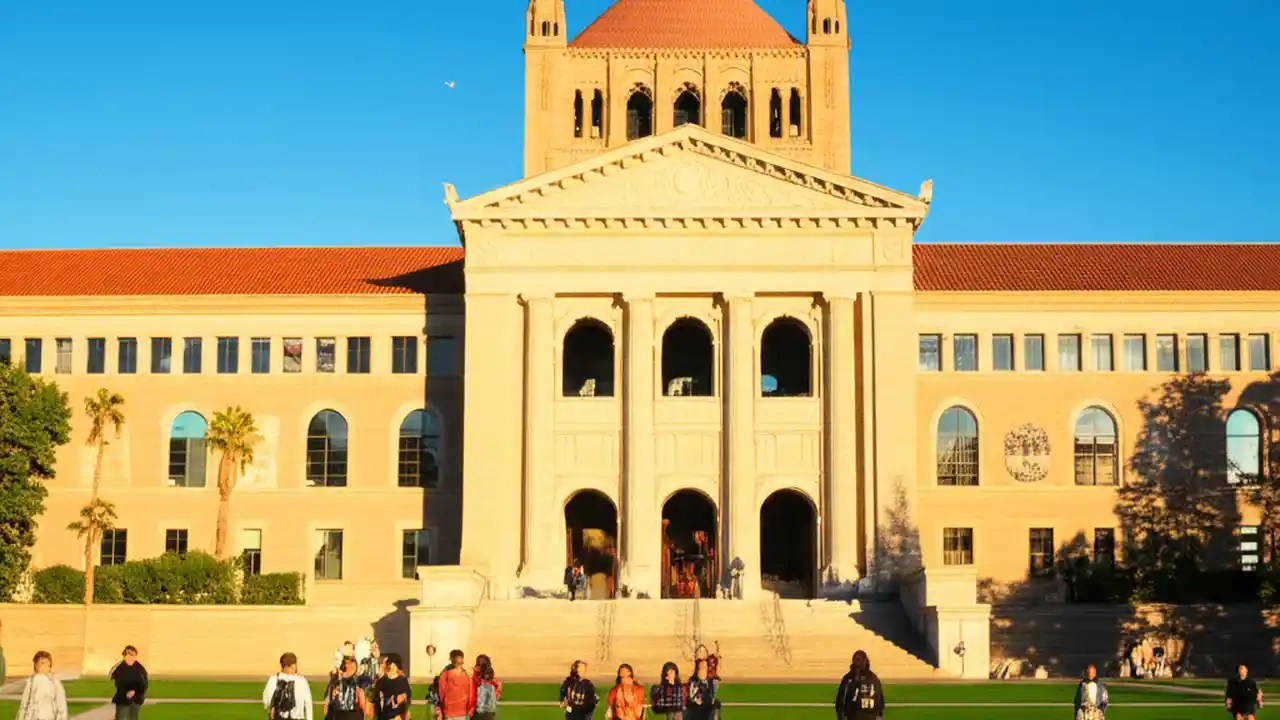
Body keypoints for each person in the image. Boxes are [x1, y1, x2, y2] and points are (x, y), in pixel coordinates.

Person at [17, 650, 69, 720]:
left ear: (49, 666)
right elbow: (24, 705)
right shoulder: (31, 683)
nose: (42, 666)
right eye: (40, 663)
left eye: (45, 664)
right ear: (35, 665)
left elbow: (61, 707)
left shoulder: (55, 684)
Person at [263, 651, 314, 720]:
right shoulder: (301, 681)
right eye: (292, 667)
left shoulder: (273, 680)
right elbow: (308, 703)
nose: (295, 668)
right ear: (286, 667)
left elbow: (267, 701)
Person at [835, 650, 884, 720]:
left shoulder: (849, 678)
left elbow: (840, 701)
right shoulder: (873, 678)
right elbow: (880, 700)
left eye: (858, 660)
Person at [110, 645, 148, 720]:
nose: (129, 657)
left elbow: (144, 685)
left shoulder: (140, 669)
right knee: (121, 717)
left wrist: (135, 691)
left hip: (136, 699)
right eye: (127, 654)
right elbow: (119, 683)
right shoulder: (120, 668)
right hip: (122, 699)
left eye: (132, 655)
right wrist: (127, 691)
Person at [372, 653, 412, 720]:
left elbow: (405, 700)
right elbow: (375, 699)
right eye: (383, 663)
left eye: (387, 663)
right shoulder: (381, 681)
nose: (384, 665)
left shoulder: (401, 680)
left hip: (397, 717)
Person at [438, 649, 475, 720]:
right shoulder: (468, 675)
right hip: (462, 709)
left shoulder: (445, 674)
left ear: (452, 660)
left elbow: (441, 693)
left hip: (449, 709)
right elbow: (471, 692)